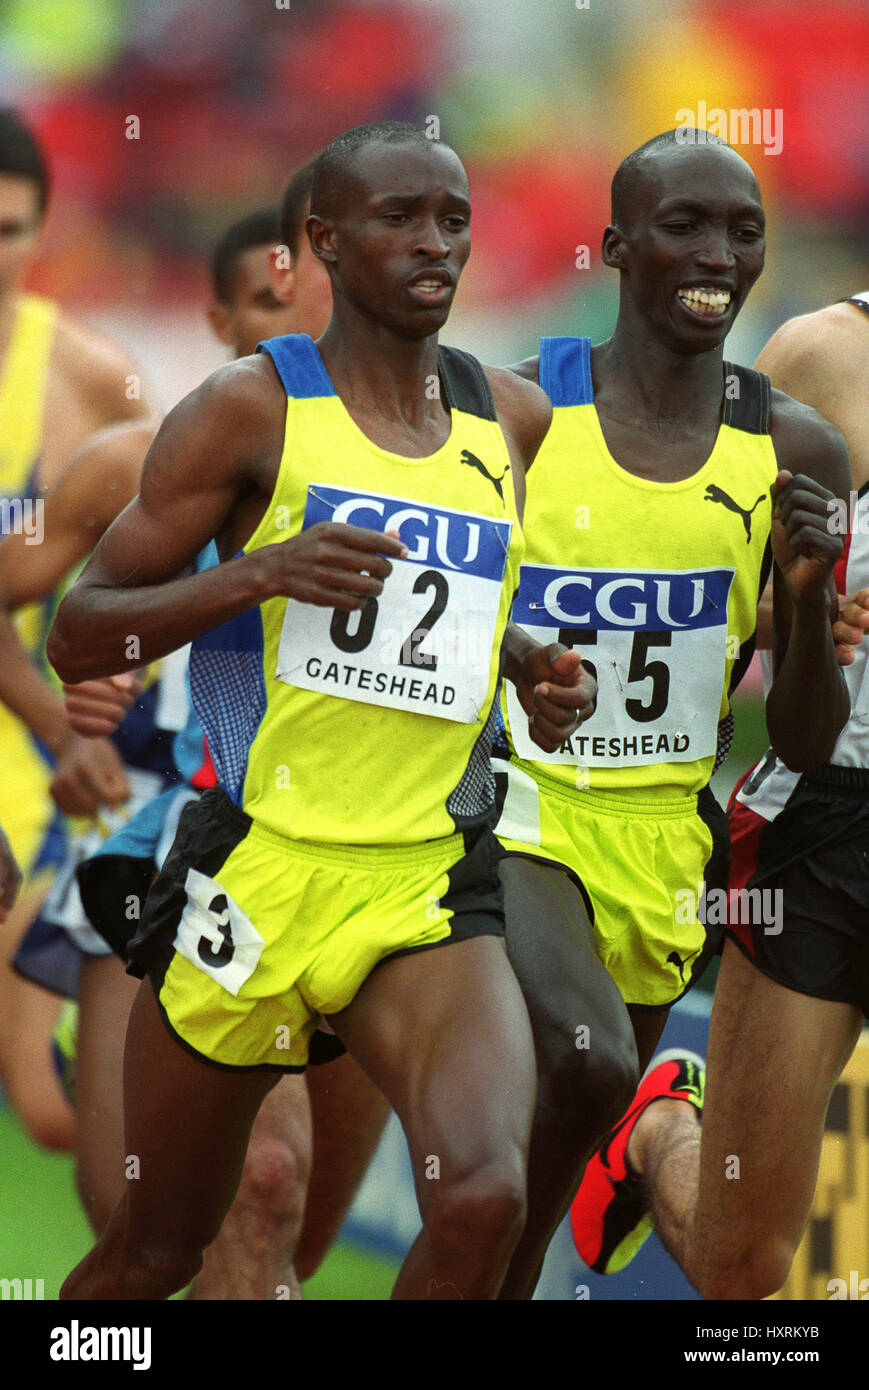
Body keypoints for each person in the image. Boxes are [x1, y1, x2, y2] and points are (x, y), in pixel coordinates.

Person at [49, 121, 595, 1301]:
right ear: (324, 242)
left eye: (452, 218)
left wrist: (534, 669)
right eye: (399, 215)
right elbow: (80, 631)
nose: (433, 241)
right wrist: (257, 571)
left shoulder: (509, 419)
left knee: (483, 1194)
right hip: (259, 872)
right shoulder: (246, 412)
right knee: (160, 1250)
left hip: (426, 879)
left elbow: (456, 611)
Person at [7, 191, 389, 1298]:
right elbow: (37, 613)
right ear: (218, 322)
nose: (291, 321)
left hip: (371, 847)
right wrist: (62, 711)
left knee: (284, 1227)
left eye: (307, 299)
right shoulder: (140, 460)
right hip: (174, 824)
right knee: (139, 1209)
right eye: (265, 302)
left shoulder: (433, 454)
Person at [489, 129, 850, 1297]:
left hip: (663, 838)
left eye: (741, 231)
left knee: (538, 1176)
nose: (715, 253)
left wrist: (801, 597)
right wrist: (518, 662)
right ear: (611, 248)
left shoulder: (792, 445)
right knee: (585, 1070)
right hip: (518, 805)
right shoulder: (521, 408)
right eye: (682, 225)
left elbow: (797, 735)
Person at [573, 287, 869, 1300]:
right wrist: (805, 621)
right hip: (828, 817)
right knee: (739, 1266)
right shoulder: (826, 356)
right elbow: (715, 568)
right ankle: (655, 1130)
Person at [0, 106, 149, 1149]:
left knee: (54, 1111)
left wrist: (110, 705)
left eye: (9, 228)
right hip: (45, 728)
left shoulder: (90, 380)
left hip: (27, 760)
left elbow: (170, 546)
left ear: (45, 227)